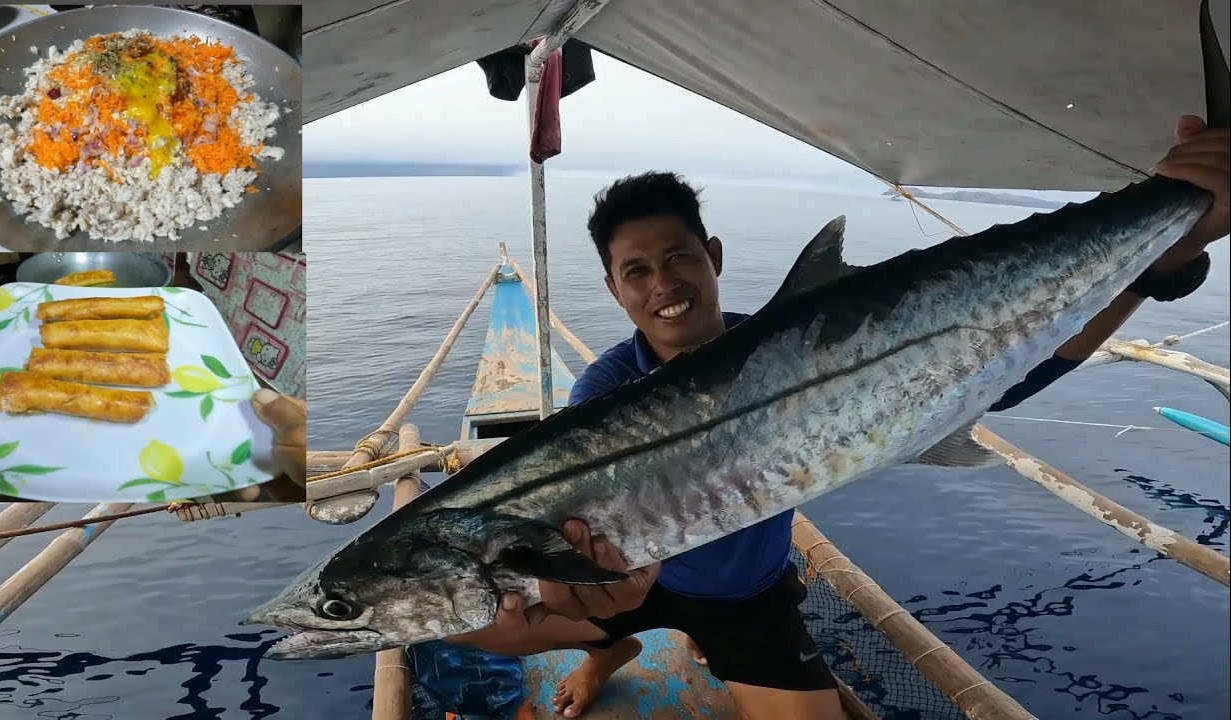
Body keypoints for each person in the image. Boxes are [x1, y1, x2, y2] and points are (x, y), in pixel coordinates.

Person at [444, 115, 1229, 720]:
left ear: (713, 255)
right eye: (637, 271)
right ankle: (603, 651)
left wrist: (1161, 263)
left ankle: (607, 645)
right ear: (616, 290)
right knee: (482, 626)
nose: (664, 284)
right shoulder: (607, 390)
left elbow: (1015, 376)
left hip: (746, 595)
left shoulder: (815, 345)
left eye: (679, 257)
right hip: (645, 587)